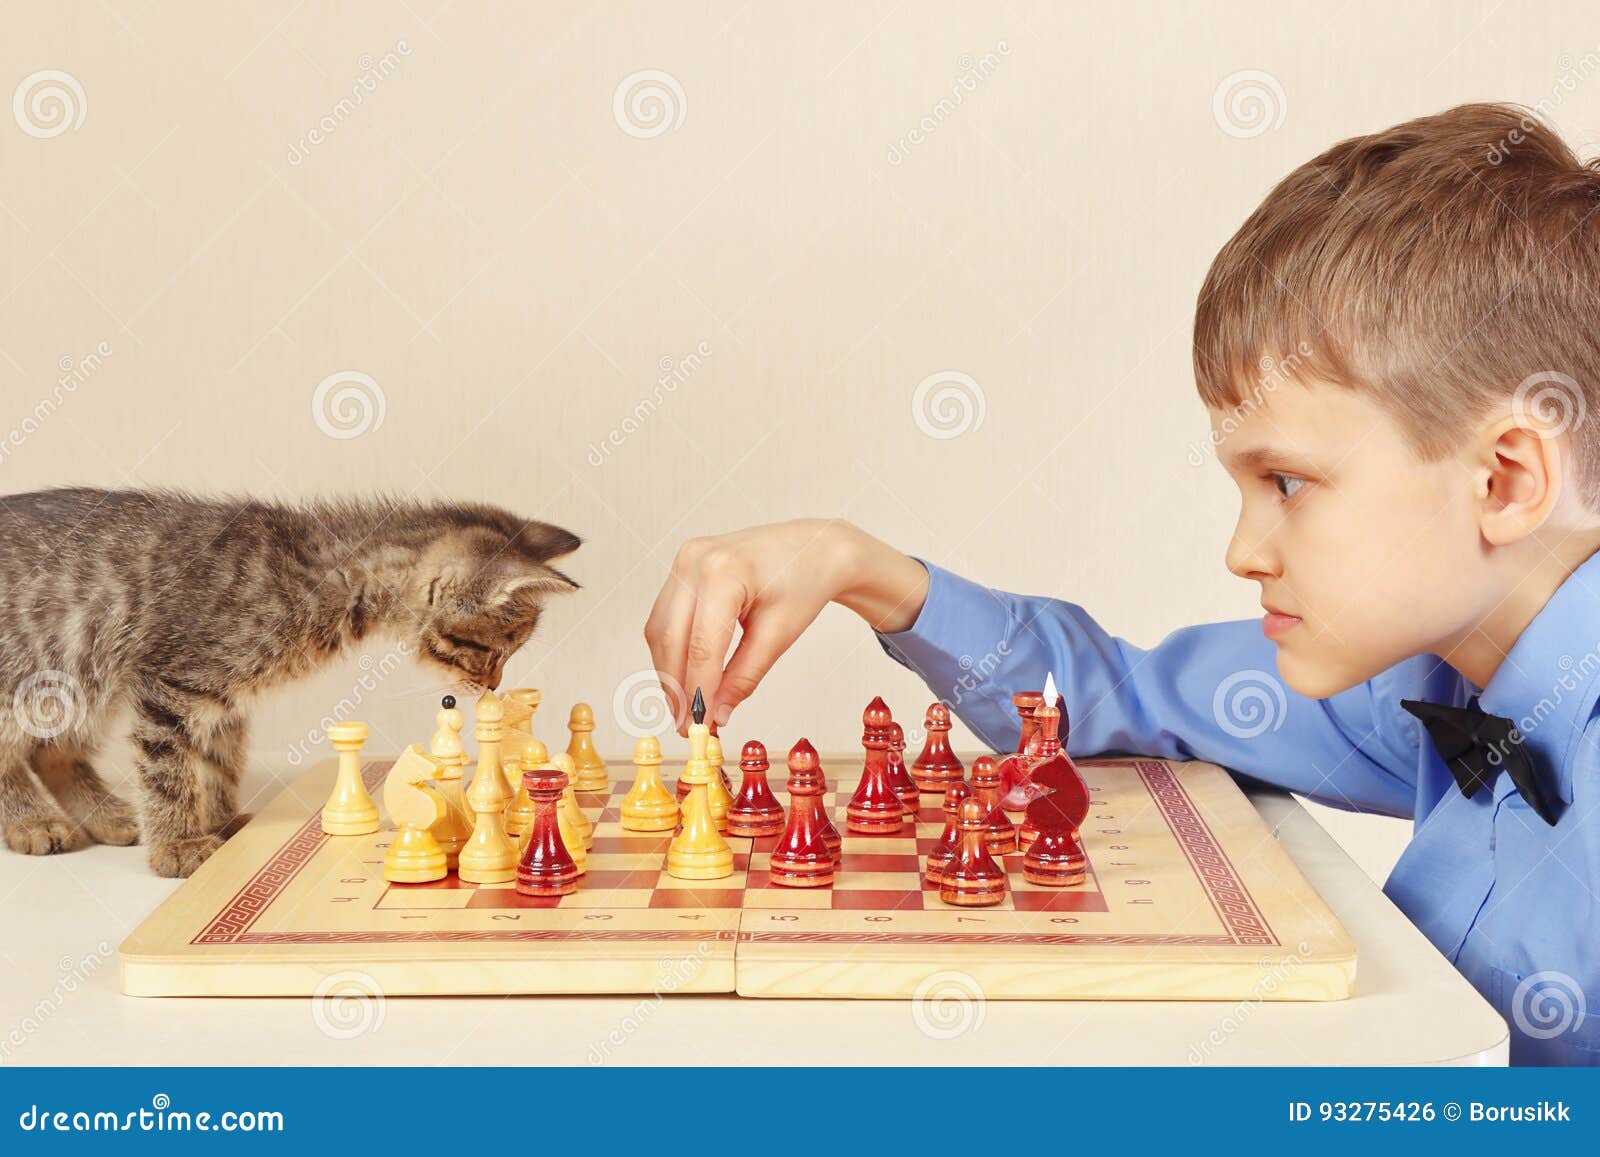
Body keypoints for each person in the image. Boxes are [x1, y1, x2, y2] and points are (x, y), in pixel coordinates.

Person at [643, 103, 1600, 1065]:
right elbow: (1123, 699)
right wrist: (860, 568)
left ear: (1504, 479)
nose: (1242, 550)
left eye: (1288, 482)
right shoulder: (1422, 684)